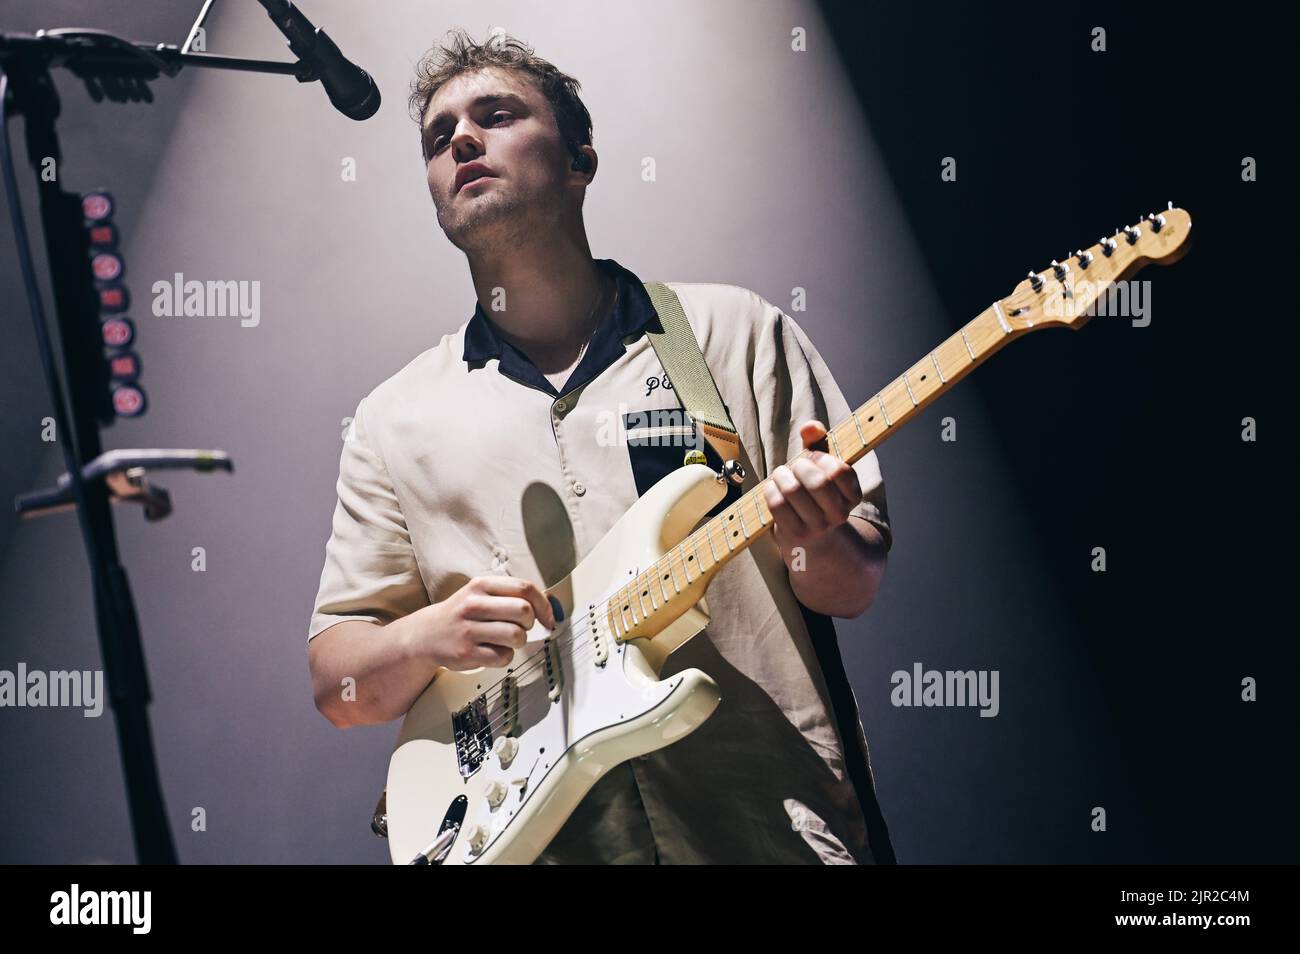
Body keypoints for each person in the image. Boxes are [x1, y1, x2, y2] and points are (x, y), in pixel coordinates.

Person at [307, 29, 895, 864]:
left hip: (764, 833)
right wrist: (425, 636)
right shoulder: (391, 419)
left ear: (581, 159)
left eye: (497, 115)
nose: (462, 141)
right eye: (439, 139)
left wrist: (815, 540)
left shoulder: (731, 333)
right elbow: (340, 686)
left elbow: (851, 586)